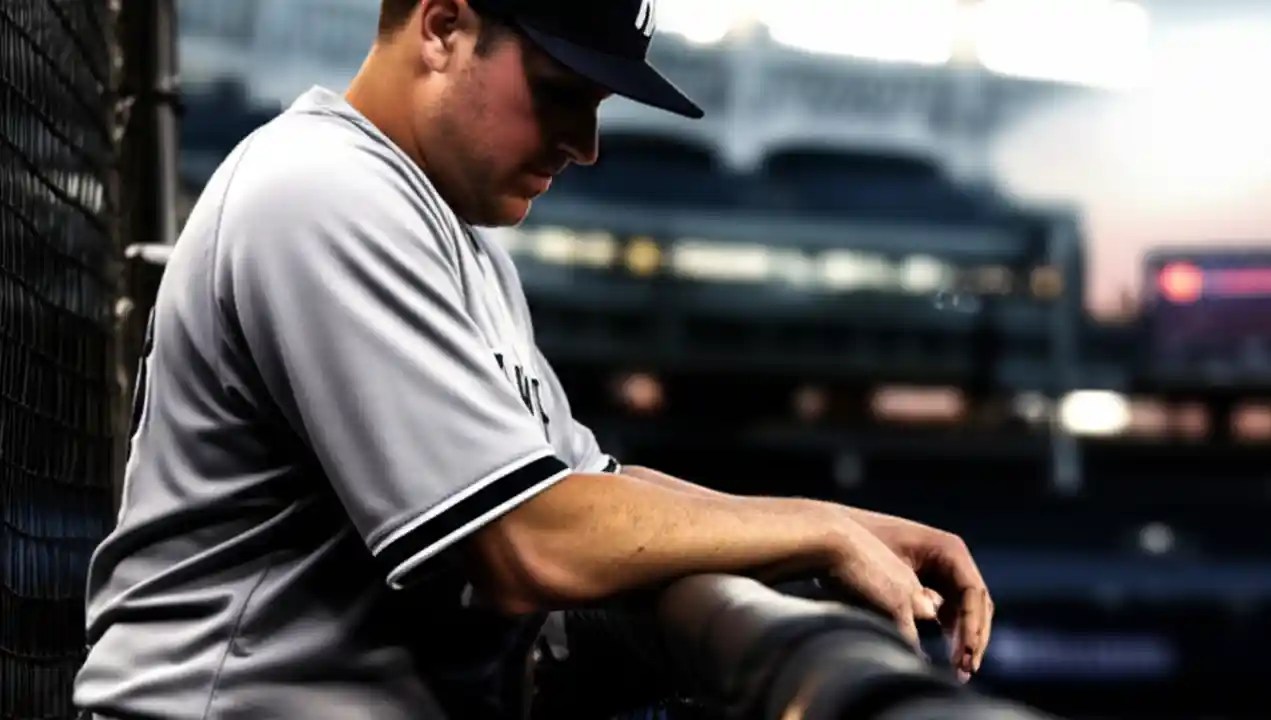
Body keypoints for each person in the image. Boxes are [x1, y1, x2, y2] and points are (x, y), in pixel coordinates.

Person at [75, 0, 994, 718]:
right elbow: (528, 540)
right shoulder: (320, 189)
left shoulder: (464, 246)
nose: (586, 144)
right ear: (442, 25)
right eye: (561, 92)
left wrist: (843, 525)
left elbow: (591, 490)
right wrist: (815, 532)